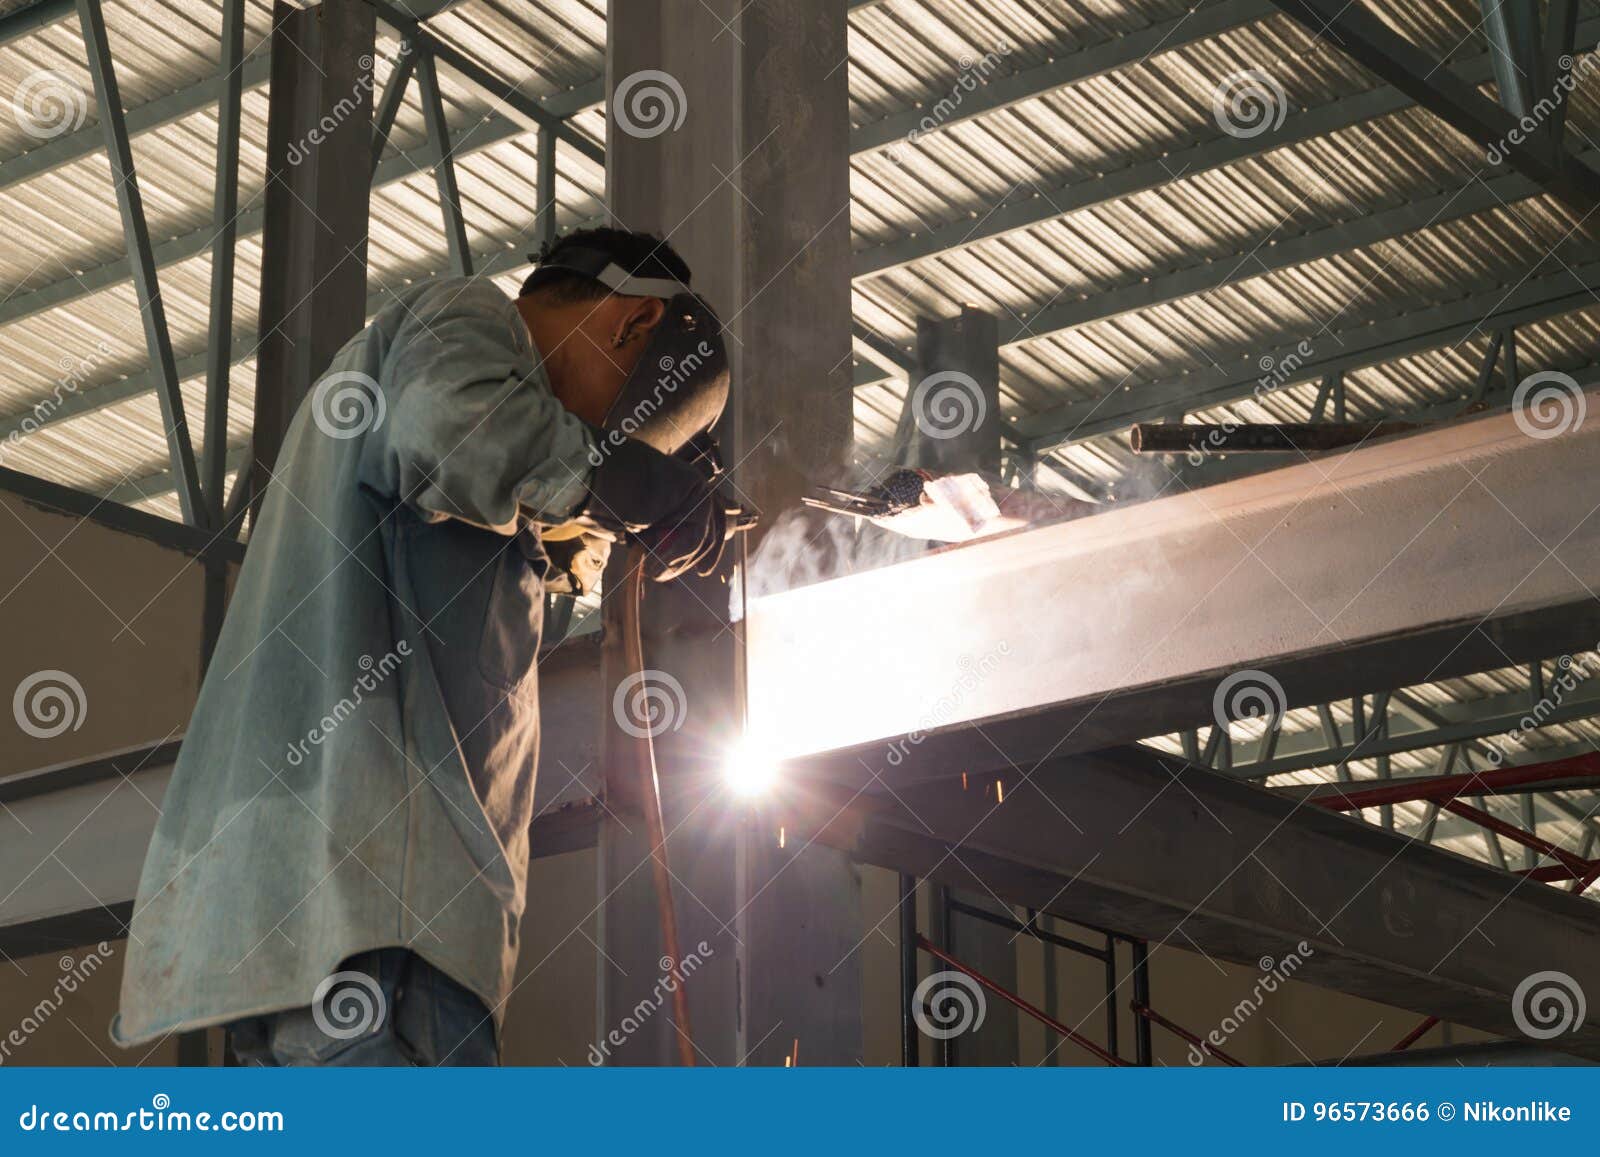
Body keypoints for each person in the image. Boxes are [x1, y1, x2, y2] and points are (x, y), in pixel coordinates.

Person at [112, 227, 730, 1065]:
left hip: (319, 927)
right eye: (623, 423)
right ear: (632, 324)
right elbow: (455, 428)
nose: (600, 434)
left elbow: (489, 504)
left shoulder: (447, 441)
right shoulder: (462, 317)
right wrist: (618, 480)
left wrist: (592, 521)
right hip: (387, 921)